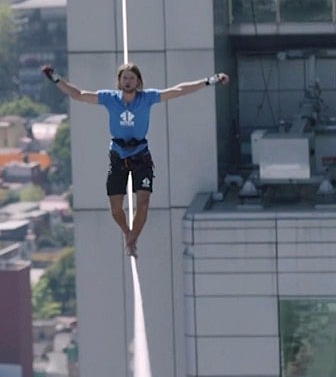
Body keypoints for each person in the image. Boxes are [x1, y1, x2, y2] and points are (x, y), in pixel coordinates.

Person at [41, 63, 230, 256]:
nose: (128, 81)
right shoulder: (110, 98)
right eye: (125, 78)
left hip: (140, 155)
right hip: (118, 155)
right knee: (115, 209)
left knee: (143, 204)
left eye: (132, 78)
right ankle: (127, 233)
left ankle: (132, 240)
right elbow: (79, 95)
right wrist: (56, 79)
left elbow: (178, 90)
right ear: (119, 81)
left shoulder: (146, 98)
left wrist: (209, 81)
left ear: (138, 81)